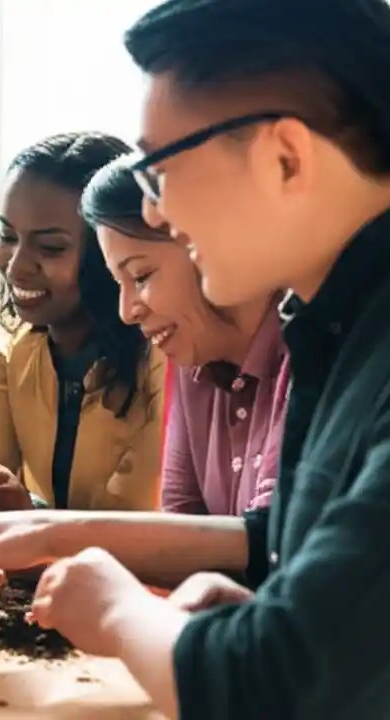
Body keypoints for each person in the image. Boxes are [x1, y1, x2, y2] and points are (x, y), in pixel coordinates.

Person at [0, 2, 390, 718]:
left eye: (161, 171)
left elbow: (283, 687)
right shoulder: (351, 320)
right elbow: (283, 546)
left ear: (283, 158)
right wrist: (59, 531)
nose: (159, 214)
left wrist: (115, 611)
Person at [83, 159, 289, 516]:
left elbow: (270, 540)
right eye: (121, 284)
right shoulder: (194, 358)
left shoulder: (309, 347)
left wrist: (54, 535)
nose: (127, 311)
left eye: (141, 276)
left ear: (204, 241)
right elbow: (179, 519)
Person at [0, 132, 165, 511]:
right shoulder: (13, 358)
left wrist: (25, 513)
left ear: (109, 251)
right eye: (7, 236)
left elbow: (140, 526)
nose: (15, 266)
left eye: (50, 247)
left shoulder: (163, 364)